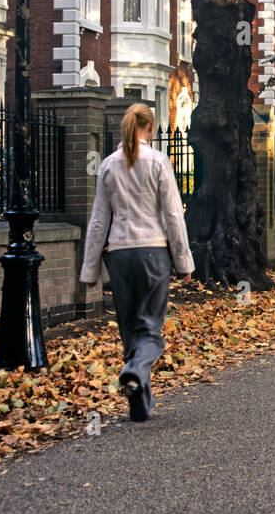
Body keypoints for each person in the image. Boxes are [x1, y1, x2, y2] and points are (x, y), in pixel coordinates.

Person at [80, 103, 194, 422]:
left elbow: (98, 222)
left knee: (130, 330)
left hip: (118, 255)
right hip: (153, 253)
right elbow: (173, 215)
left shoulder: (108, 165)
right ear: (150, 129)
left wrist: (90, 268)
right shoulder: (158, 162)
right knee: (151, 328)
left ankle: (139, 403)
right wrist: (184, 262)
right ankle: (134, 369)